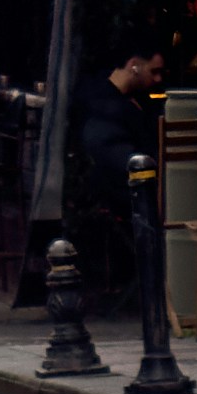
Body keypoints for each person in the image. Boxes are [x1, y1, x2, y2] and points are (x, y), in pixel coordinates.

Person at [61, 34, 171, 294]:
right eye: (153, 71)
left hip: (129, 187)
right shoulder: (106, 107)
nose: (158, 79)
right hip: (127, 191)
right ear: (134, 64)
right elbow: (118, 158)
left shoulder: (113, 101)